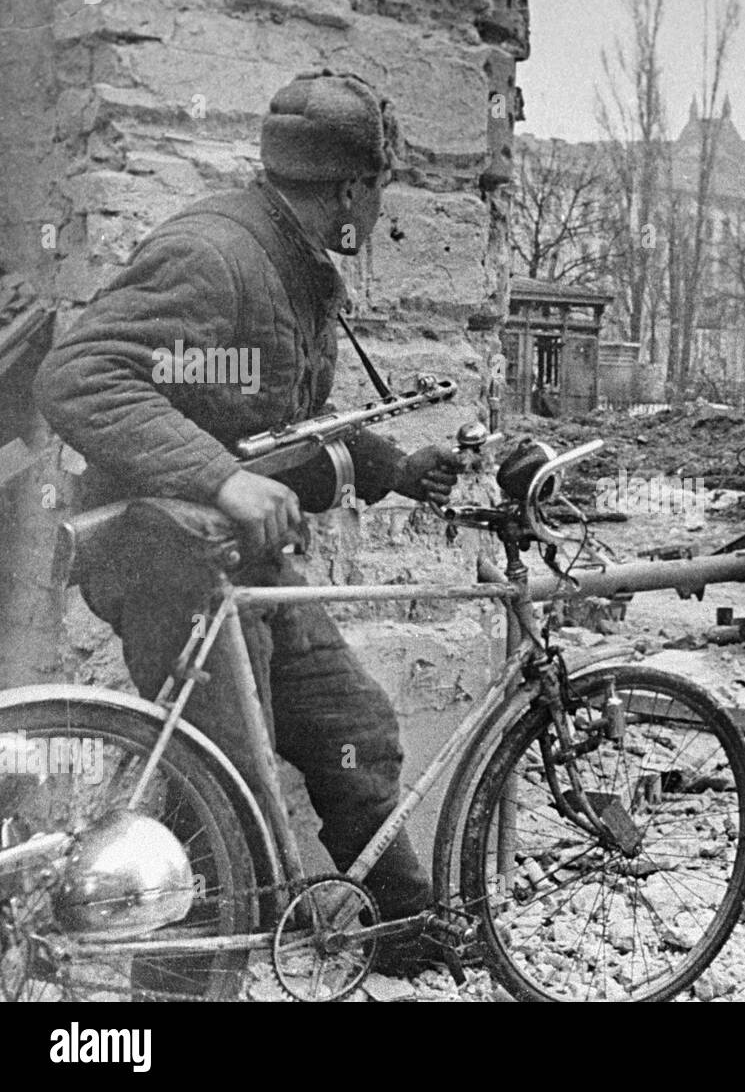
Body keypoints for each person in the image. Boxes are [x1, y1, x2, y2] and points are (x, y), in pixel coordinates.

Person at [34, 70, 459, 977]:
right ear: (350, 189)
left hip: (240, 558)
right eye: (377, 191)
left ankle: (405, 930)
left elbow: (267, 428)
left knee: (355, 727)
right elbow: (80, 378)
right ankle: (186, 990)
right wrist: (223, 481)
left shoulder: (296, 267)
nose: (377, 212)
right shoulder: (215, 255)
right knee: (219, 792)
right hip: (167, 561)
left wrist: (398, 471)